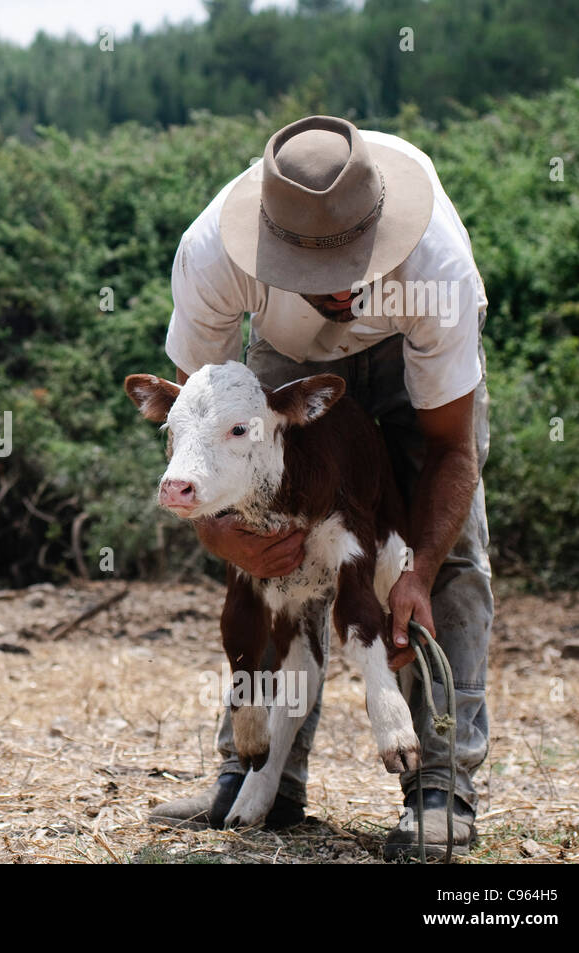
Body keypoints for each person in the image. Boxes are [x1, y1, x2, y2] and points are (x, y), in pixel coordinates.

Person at [152, 115, 491, 860]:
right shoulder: (212, 256)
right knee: (268, 548)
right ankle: (255, 778)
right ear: (269, 247)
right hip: (285, 356)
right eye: (312, 268)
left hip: (410, 353)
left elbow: (449, 450)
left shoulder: (436, 269)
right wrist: (220, 528)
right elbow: (200, 431)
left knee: (447, 559)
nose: (337, 288)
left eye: (350, 263)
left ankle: (440, 788)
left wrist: (420, 568)